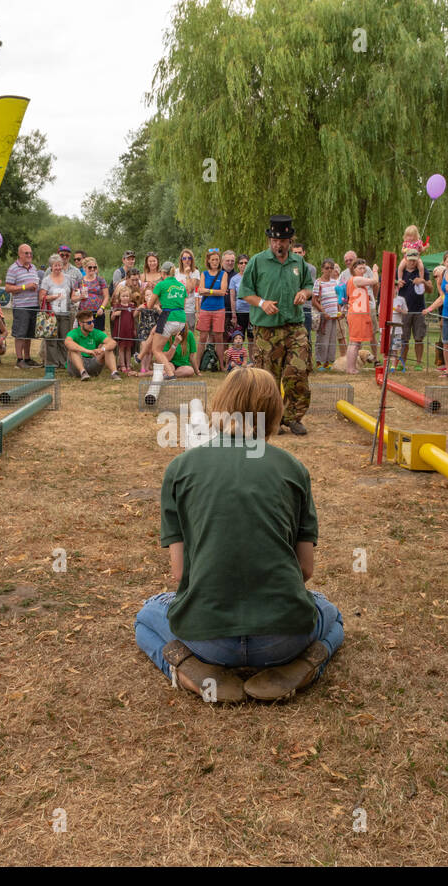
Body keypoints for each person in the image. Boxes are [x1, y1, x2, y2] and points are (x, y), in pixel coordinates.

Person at [133, 367, 344, 702]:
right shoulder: (293, 469)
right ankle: (306, 665)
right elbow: (305, 571)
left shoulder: (180, 468)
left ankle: (186, 667)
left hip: (207, 640)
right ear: (275, 411)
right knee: (332, 614)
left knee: (147, 614)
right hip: (283, 640)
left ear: (219, 405)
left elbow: (180, 573)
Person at [239, 216, 314, 434]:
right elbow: (245, 292)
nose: (278, 245)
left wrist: (303, 293)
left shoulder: (298, 262)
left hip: (295, 326)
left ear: (290, 241)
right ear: (269, 240)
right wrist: (262, 303)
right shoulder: (257, 261)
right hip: (266, 329)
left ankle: (293, 418)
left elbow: (309, 286)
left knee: (297, 371)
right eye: (274, 240)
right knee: (266, 378)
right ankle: (269, 419)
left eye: (282, 241)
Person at [6, 244, 41, 368]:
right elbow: (8, 288)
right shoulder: (13, 268)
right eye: (26, 253)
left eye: (30, 253)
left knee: (29, 334)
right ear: (20, 254)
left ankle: (27, 358)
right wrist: (26, 287)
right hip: (21, 306)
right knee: (20, 333)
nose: (29, 255)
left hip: (33, 305)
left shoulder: (33, 268)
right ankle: (19, 359)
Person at [39, 254, 75, 371]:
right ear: (51, 267)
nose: (58, 268)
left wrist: (79, 296)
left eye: (60, 265)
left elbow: (72, 295)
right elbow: (41, 297)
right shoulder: (46, 280)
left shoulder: (68, 278)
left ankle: (64, 362)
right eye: (55, 266)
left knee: (64, 339)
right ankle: (52, 363)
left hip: (65, 313)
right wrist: (52, 297)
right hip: (51, 314)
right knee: (51, 340)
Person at [396, 249, 431, 368]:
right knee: (403, 339)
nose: (412, 263)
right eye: (410, 260)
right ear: (405, 258)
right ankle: (402, 362)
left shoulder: (423, 271)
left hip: (419, 310)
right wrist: (397, 284)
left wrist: (424, 282)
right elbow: (390, 288)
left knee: (419, 338)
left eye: (414, 260)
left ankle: (418, 363)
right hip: (403, 311)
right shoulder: (399, 271)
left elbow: (430, 289)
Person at [342, 259, 378, 375]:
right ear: (353, 269)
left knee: (355, 343)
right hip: (356, 315)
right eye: (360, 268)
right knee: (354, 342)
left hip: (358, 314)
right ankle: (350, 368)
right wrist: (375, 271)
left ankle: (352, 367)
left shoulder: (355, 281)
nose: (363, 270)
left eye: (364, 268)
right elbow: (375, 281)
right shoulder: (356, 279)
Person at [196, 249, 229, 367]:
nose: (215, 262)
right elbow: (200, 291)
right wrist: (214, 291)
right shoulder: (204, 274)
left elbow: (223, 292)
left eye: (217, 259)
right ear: (208, 261)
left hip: (219, 309)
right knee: (203, 337)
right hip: (205, 308)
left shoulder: (223, 274)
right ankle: (197, 364)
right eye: (213, 260)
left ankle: (221, 365)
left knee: (218, 337)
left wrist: (208, 291)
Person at [65, 313, 120, 379]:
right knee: (73, 349)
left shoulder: (96, 332)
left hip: (93, 363)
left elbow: (113, 343)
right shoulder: (74, 332)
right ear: (81, 323)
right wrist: (87, 351)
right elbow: (67, 343)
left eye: (93, 321)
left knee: (108, 348)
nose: (92, 324)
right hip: (76, 368)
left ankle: (114, 373)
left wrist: (102, 349)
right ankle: (83, 372)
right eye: (89, 322)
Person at [312, 258, 343, 370]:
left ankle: (329, 362)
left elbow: (338, 298)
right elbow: (314, 300)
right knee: (322, 340)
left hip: (334, 315)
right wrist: (323, 312)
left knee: (332, 340)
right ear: (322, 269)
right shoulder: (318, 282)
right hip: (324, 316)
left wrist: (340, 311)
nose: (329, 270)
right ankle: (320, 362)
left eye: (331, 268)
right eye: (327, 268)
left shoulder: (335, 282)